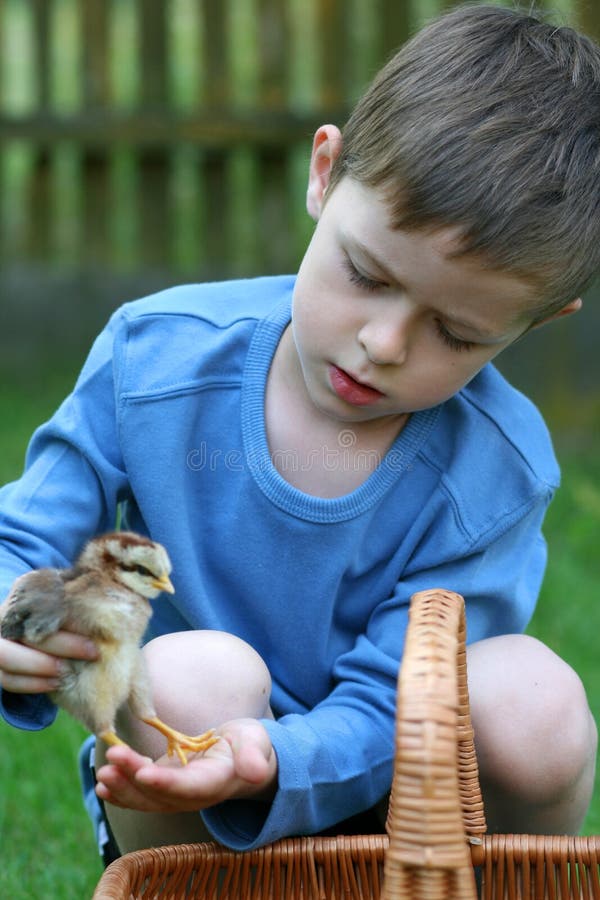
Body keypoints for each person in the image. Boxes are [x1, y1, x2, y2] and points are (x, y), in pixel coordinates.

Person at [0, 3, 598, 862]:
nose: (384, 344)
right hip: (194, 775)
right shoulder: (155, 357)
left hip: (410, 796)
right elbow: (25, 534)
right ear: (325, 172)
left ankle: (492, 887)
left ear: (537, 323)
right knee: (192, 674)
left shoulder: (496, 469)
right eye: (365, 272)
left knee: (535, 702)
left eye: (457, 334)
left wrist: (277, 760)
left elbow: (399, 694)